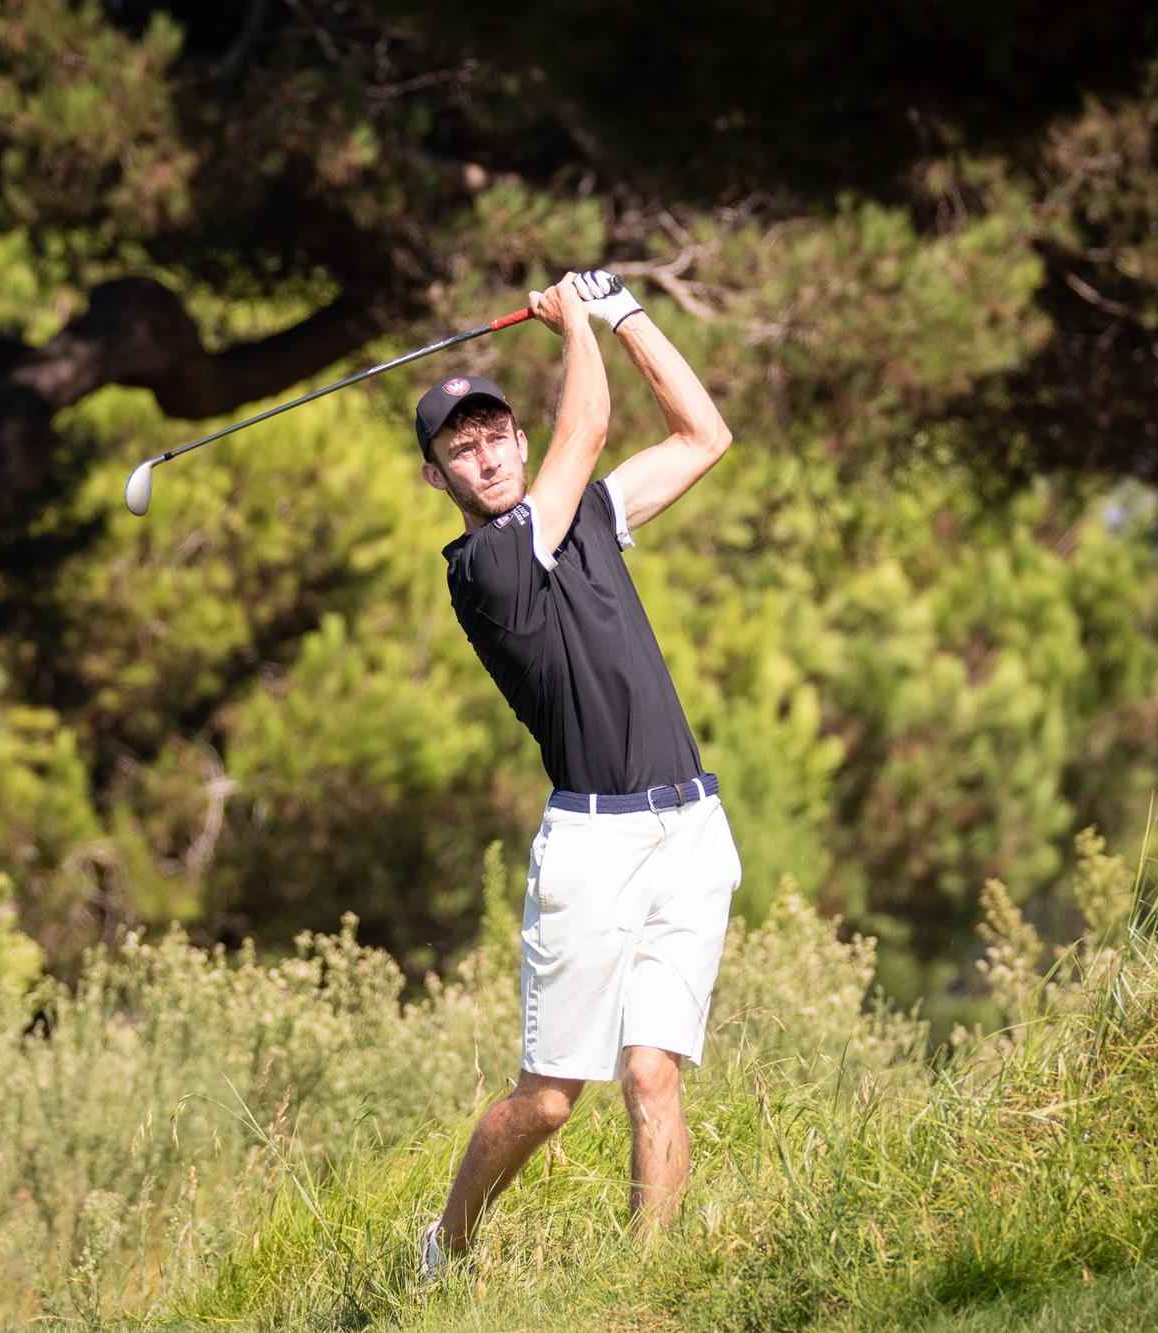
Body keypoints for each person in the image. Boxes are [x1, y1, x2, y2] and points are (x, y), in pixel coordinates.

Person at [414, 269, 741, 1274]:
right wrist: (574, 321)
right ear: (437, 476)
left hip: (689, 828)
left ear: (515, 437)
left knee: (652, 1073)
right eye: (459, 447)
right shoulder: (487, 569)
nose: (485, 454)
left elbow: (702, 436)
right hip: (591, 845)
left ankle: (642, 1287)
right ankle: (445, 1244)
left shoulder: (587, 517)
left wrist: (626, 313)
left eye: (496, 433)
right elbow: (587, 428)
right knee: (550, 1099)